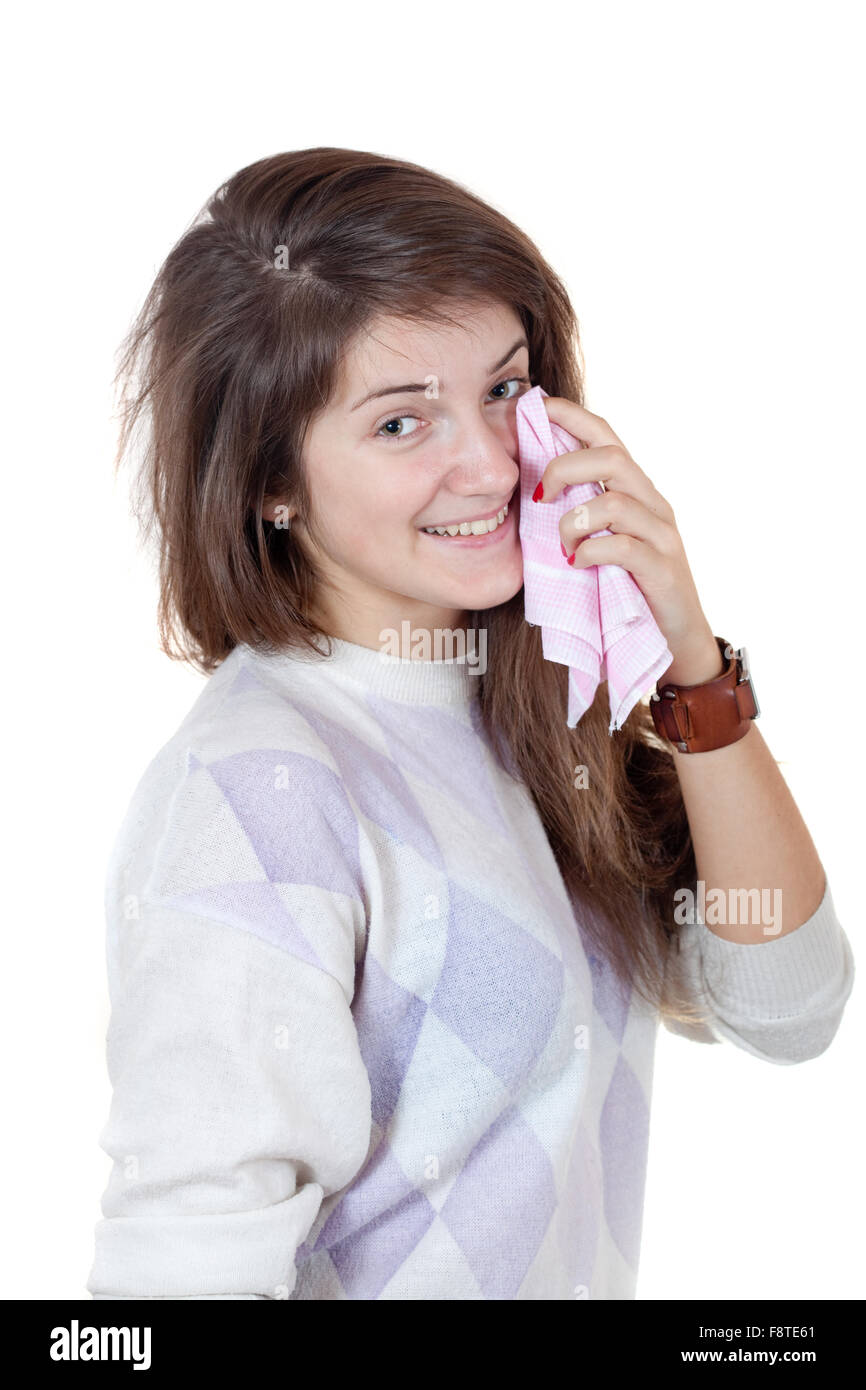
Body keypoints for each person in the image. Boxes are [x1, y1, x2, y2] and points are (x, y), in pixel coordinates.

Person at [87, 147, 854, 1301]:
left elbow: (786, 1007)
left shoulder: (533, 690)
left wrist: (688, 659)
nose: (491, 463)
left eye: (503, 390)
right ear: (268, 483)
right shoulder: (259, 785)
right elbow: (172, 1282)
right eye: (402, 424)